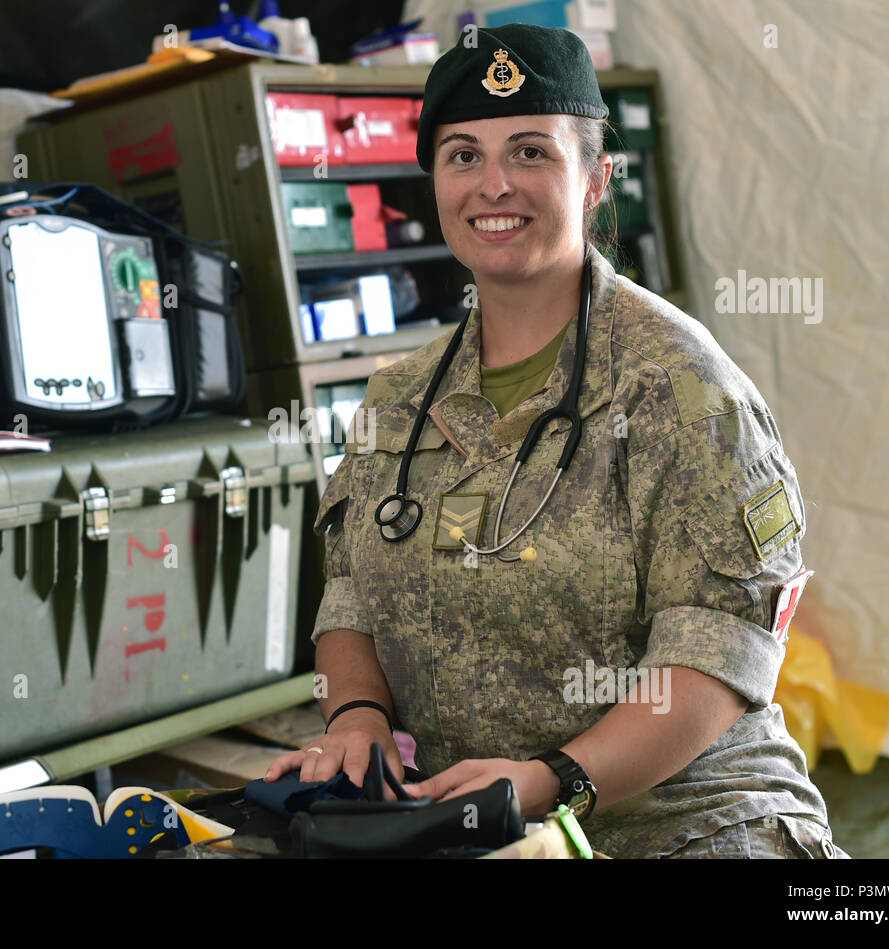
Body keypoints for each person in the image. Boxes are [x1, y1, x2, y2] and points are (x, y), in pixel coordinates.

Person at [264, 23, 846, 859]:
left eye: (531, 152)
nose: (493, 184)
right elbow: (350, 596)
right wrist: (357, 719)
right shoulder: (397, 396)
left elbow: (717, 656)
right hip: (473, 824)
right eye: (463, 155)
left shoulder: (683, 391)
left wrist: (555, 778)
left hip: (685, 825)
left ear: (595, 179)